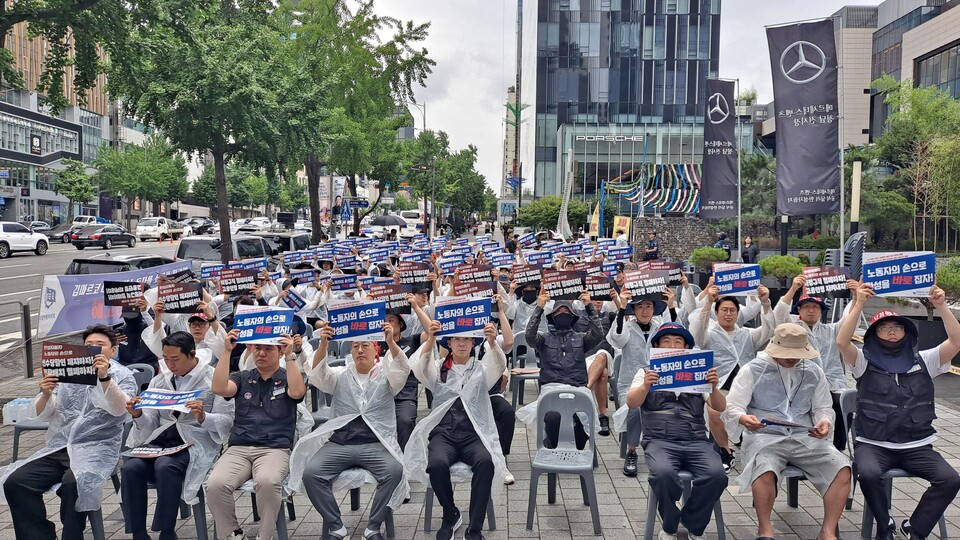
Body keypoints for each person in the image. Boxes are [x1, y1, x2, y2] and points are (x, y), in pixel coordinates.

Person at [837, 284, 960, 540]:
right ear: (875, 333)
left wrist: (941, 306)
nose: (891, 332)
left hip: (917, 446)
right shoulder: (863, 361)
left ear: (906, 332)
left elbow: (956, 342)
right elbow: (841, 341)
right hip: (873, 444)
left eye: (897, 327)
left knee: (950, 479)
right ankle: (885, 526)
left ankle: (914, 530)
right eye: (884, 328)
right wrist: (858, 303)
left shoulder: (925, 360)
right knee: (868, 473)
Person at [1, 325, 138, 540]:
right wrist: (46, 393)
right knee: (16, 481)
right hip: (59, 447)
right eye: (89, 345)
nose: (93, 349)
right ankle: (38, 536)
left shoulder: (123, 376)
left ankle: (72, 535)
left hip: (98, 448)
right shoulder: (68, 370)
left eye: (100, 345)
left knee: (73, 484)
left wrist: (104, 379)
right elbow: (43, 414)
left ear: (113, 350)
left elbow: (120, 409)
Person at [723, 324, 851, 540]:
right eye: (787, 354)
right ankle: (765, 528)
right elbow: (733, 405)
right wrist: (744, 419)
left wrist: (824, 422)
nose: (792, 358)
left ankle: (828, 531)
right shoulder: (753, 369)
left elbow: (823, 407)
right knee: (764, 469)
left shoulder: (812, 370)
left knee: (842, 468)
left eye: (797, 354)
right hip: (765, 437)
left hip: (805, 437)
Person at [289, 322, 409, 540]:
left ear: (376, 350)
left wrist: (391, 341)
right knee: (311, 474)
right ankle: (336, 526)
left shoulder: (386, 375)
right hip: (340, 443)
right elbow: (318, 375)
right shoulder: (341, 373)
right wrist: (323, 346)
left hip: (376, 443)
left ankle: (373, 527)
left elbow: (402, 371)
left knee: (395, 471)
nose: (360, 350)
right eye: (355, 347)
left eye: (365, 346)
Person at [121, 331, 233, 540]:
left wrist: (203, 416)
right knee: (130, 467)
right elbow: (150, 423)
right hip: (161, 438)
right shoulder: (160, 380)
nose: (170, 365)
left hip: (195, 440)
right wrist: (137, 414)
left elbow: (227, 421)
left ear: (192, 354)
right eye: (166, 359)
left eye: (175, 359)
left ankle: (167, 530)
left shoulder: (212, 378)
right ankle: (138, 532)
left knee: (165, 466)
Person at [404, 320, 508, 540]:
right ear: (449, 342)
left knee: (485, 463)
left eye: (466, 339)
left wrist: (492, 341)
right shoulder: (439, 368)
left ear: (473, 343)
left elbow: (499, 365)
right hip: (445, 434)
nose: (461, 343)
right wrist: (431, 338)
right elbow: (419, 367)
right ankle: (450, 515)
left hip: (473, 434)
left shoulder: (482, 369)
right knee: (436, 464)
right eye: (456, 339)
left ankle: (475, 528)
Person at [626, 323, 728, 540]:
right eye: (666, 341)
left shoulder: (699, 373)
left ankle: (693, 522)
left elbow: (719, 407)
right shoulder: (645, 372)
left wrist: (714, 387)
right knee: (663, 474)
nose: (672, 345)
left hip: (696, 441)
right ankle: (670, 523)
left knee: (717, 475)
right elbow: (631, 403)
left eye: (678, 342)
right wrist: (645, 386)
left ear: (687, 349)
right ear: (657, 347)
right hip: (660, 441)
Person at [207, 330, 306, 540]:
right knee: (215, 484)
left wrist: (290, 356)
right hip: (240, 447)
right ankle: (232, 533)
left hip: (275, 448)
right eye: (257, 348)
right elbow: (218, 388)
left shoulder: (287, 375)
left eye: (268, 349)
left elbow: (297, 393)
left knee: (268, 482)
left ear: (279, 352)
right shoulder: (242, 377)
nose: (261, 353)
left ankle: (265, 535)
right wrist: (226, 351)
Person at [689, 280, 774, 472]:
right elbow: (696, 332)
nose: (728, 314)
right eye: (724, 310)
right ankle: (726, 451)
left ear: (738, 313)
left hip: (747, 387)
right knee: (714, 412)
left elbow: (769, 330)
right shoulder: (708, 334)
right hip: (718, 388)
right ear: (716, 313)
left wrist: (765, 303)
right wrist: (709, 302)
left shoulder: (748, 334)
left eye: (732, 310)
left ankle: (761, 450)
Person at [774, 275, 860, 451]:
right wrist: (793, 289)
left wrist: (857, 297)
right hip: (801, 383)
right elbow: (780, 314)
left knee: (846, 401)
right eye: (806, 306)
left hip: (833, 384)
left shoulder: (832, 330)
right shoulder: (793, 329)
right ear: (799, 310)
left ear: (821, 311)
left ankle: (839, 448)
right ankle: (802, 446)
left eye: (815, 307)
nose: (811, 310)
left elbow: (850, 320)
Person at [608, 289, 677, 476]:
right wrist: (622, 308)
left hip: (660, 384)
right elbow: (617, 338)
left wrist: (671, 306)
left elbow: (678, 338)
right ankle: (632, 451)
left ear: (654, 309)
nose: (645, 311)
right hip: (631, 385)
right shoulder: (627, 327)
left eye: (648, 306)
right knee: (634, 408)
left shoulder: (661, 327)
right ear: (634, 309)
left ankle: (669, 450)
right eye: (640, 307)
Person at [523, 292, 605, 449]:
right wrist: (539, 307)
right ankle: (553, 444)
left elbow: (598, 334)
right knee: (553, 418)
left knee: (584, 419)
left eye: (567, 312)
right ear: (552, 317)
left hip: (578, 388)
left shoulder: (581, 338)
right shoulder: (544, 339)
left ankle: (578, 447)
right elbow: (529, 336)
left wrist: (589, 306)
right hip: (551, 389)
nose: (563, 315)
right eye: (559, 312)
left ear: (573, 317)